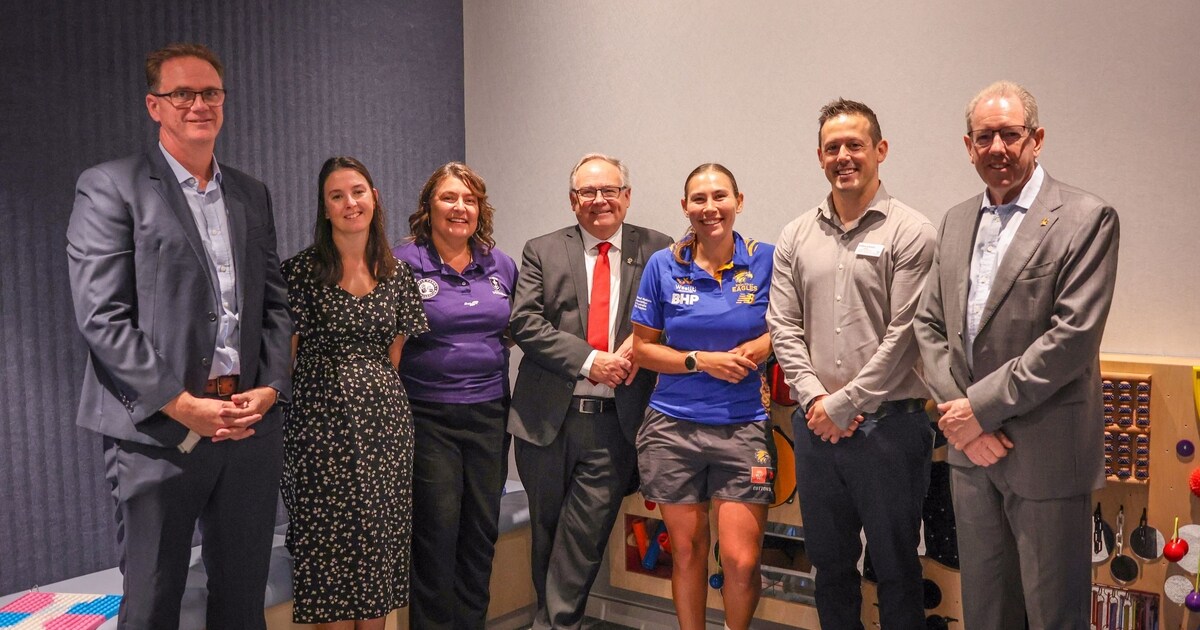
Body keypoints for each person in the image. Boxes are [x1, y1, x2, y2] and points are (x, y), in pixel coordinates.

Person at [65, 43, 291, 629]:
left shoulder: (251, 193)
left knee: (243, 600)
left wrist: (270, 388)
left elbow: (276, 304)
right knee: (154, 602)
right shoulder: (110, 186)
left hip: (246, 425)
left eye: (210, 93)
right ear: (154, 106)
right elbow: (102, 317)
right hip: (157, 434)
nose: (199, 104)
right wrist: (179, 403)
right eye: (182, 94)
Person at [914, 81, 1120, 630]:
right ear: (968, 145)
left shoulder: (1086, 218)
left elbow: (1071, 338)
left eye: (1010, 134)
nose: (997, 148)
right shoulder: (956, 221)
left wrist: (975, 410)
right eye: (985, 137)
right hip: (971, 456)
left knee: (1055, 613)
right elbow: (928, 326)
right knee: (986, 611)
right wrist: (963, 422)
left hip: (1047, 454)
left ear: (1037, 138)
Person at [766, 99, 936, 629]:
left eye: (855, 145)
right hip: (818, 433)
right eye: (832, 147)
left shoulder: (913, 232)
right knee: (830, 568)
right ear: (819, 156)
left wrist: (846, 404)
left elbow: (905, 336)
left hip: (891, 430)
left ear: (879, 151)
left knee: (896, 570)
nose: (844, 156)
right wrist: (819, 401)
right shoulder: (796, 235)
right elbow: (783, 326)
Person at [508, 153, 672, 629]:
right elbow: (525, 322)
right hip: (544, 424)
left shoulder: (659, 250)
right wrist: (589, 360)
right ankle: (558, 622)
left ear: (626, 196)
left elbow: (673, 316)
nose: (599, 200)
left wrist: (638, 347)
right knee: (545, 537)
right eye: (587, 192)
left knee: (582, 540)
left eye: (609, 191)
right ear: (572, 200)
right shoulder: (542, 249)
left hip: (613, 425)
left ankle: (552, 624)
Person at [281, 156, 429, 629]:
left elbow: (394, 358)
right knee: (330, 561)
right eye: (337, 196)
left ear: (375, 198)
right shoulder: (300, 273)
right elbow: (285, 361)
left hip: (385, 433)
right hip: (318, 437)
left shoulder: (397, 275)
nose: (350, 203)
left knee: (378, 556)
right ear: (324, 209)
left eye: (358, 192)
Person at [630, 163, 774, 630]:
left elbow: (790, 327)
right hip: (673, 427)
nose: (709, 208)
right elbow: (643, 349)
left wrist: (761, 345)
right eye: (698, 199)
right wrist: (700, 360)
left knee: (740, 560)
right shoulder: (663, 265)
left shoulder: (766, 259)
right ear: (685, 206)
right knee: (687, 553)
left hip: (743, 423)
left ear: (739, 200)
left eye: (719, 197)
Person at [391, 162, 517, 629]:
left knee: (481, 533)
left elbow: (511, 331)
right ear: (429, 206)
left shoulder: (499, 263)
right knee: (436, 534)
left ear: (480, 208)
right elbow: (388, 345)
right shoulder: (402, 264)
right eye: (448, 198)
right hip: (427, 417)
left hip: (488, 415)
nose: (459, 207)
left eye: (469, 199)